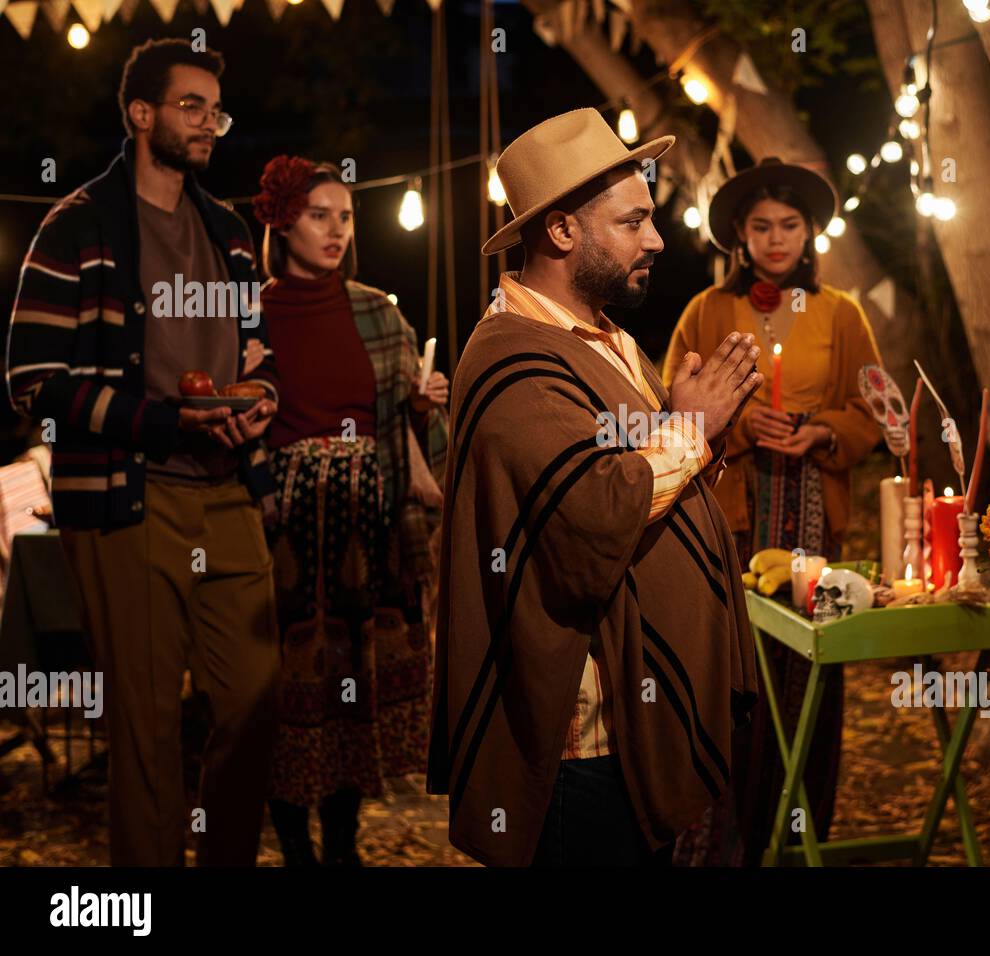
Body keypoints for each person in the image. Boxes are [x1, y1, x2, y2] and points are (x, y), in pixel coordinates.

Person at [428, 108, 761, 867]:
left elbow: (643, 476)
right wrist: (691, 430)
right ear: (561, 232)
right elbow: (586, 518)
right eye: (633, 221)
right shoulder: (513, 359)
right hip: (585, 747)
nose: (656, 238)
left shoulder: (606, 337)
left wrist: (682, 424)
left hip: (626, 732)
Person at [6, 39, 280, 866]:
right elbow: (31, 378)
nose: (209, 123)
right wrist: (164, 423)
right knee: (147, 723)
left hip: (227, 489)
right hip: (129, 495)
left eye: (215, 109)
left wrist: (257, 405)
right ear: (142, 113)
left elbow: (261, 357)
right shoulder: (79, 223)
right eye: (191, 106)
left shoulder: (230, 233)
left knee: (254, 700)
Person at [663, 157, 884, 865]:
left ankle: (799, 834)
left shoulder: (841, 313)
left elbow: (873, 410)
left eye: (790, 225)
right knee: (731, 671)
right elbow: (674, 399)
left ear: (810, 232)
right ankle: (722, 838)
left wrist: (824, 431)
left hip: (816, 515)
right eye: (761, 226)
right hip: (730, 517)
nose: (777, 238)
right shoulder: (706, 311)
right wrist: (742, 420)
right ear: (738, 234)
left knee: (810, 671)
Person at [251, 156, 447, 865]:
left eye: (346, 216)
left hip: (371, 523)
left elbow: (412, 437)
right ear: (281, 222)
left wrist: (425, 407)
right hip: (283, 531)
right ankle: (293, 844)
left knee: (351, 685)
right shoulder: (253, 312)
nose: (336, 230)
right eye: (318, 215)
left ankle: (341, 840)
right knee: (285, 688)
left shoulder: (376, 309)